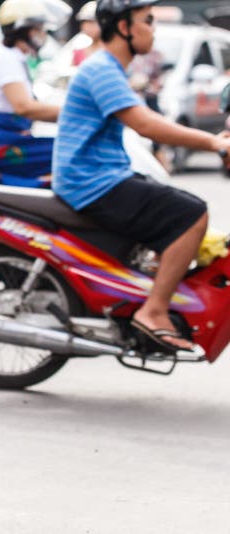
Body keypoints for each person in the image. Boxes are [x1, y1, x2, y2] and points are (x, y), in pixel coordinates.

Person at [53, 0, 230, 352]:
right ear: (124, 27)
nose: (153, 28)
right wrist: (214, 143)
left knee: (168, 202)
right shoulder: (102, 68)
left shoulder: (110, 68)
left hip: (100, 175)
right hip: (91, 182)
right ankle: (154, 310)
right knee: (192, 214)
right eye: (147, 20)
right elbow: (146, 124)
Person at [0, 0, 70, 187]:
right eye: (39, 29)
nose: (43, 35)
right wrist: (74, 113)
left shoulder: (13, 57)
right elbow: (24, 107)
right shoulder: (5, 58)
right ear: (24, 30)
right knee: (70, 152)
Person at [72, 1, 101, 66]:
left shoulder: (113, 51)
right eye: (84, 22)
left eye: (91, 22)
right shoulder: (79, 51)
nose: (87, 27)